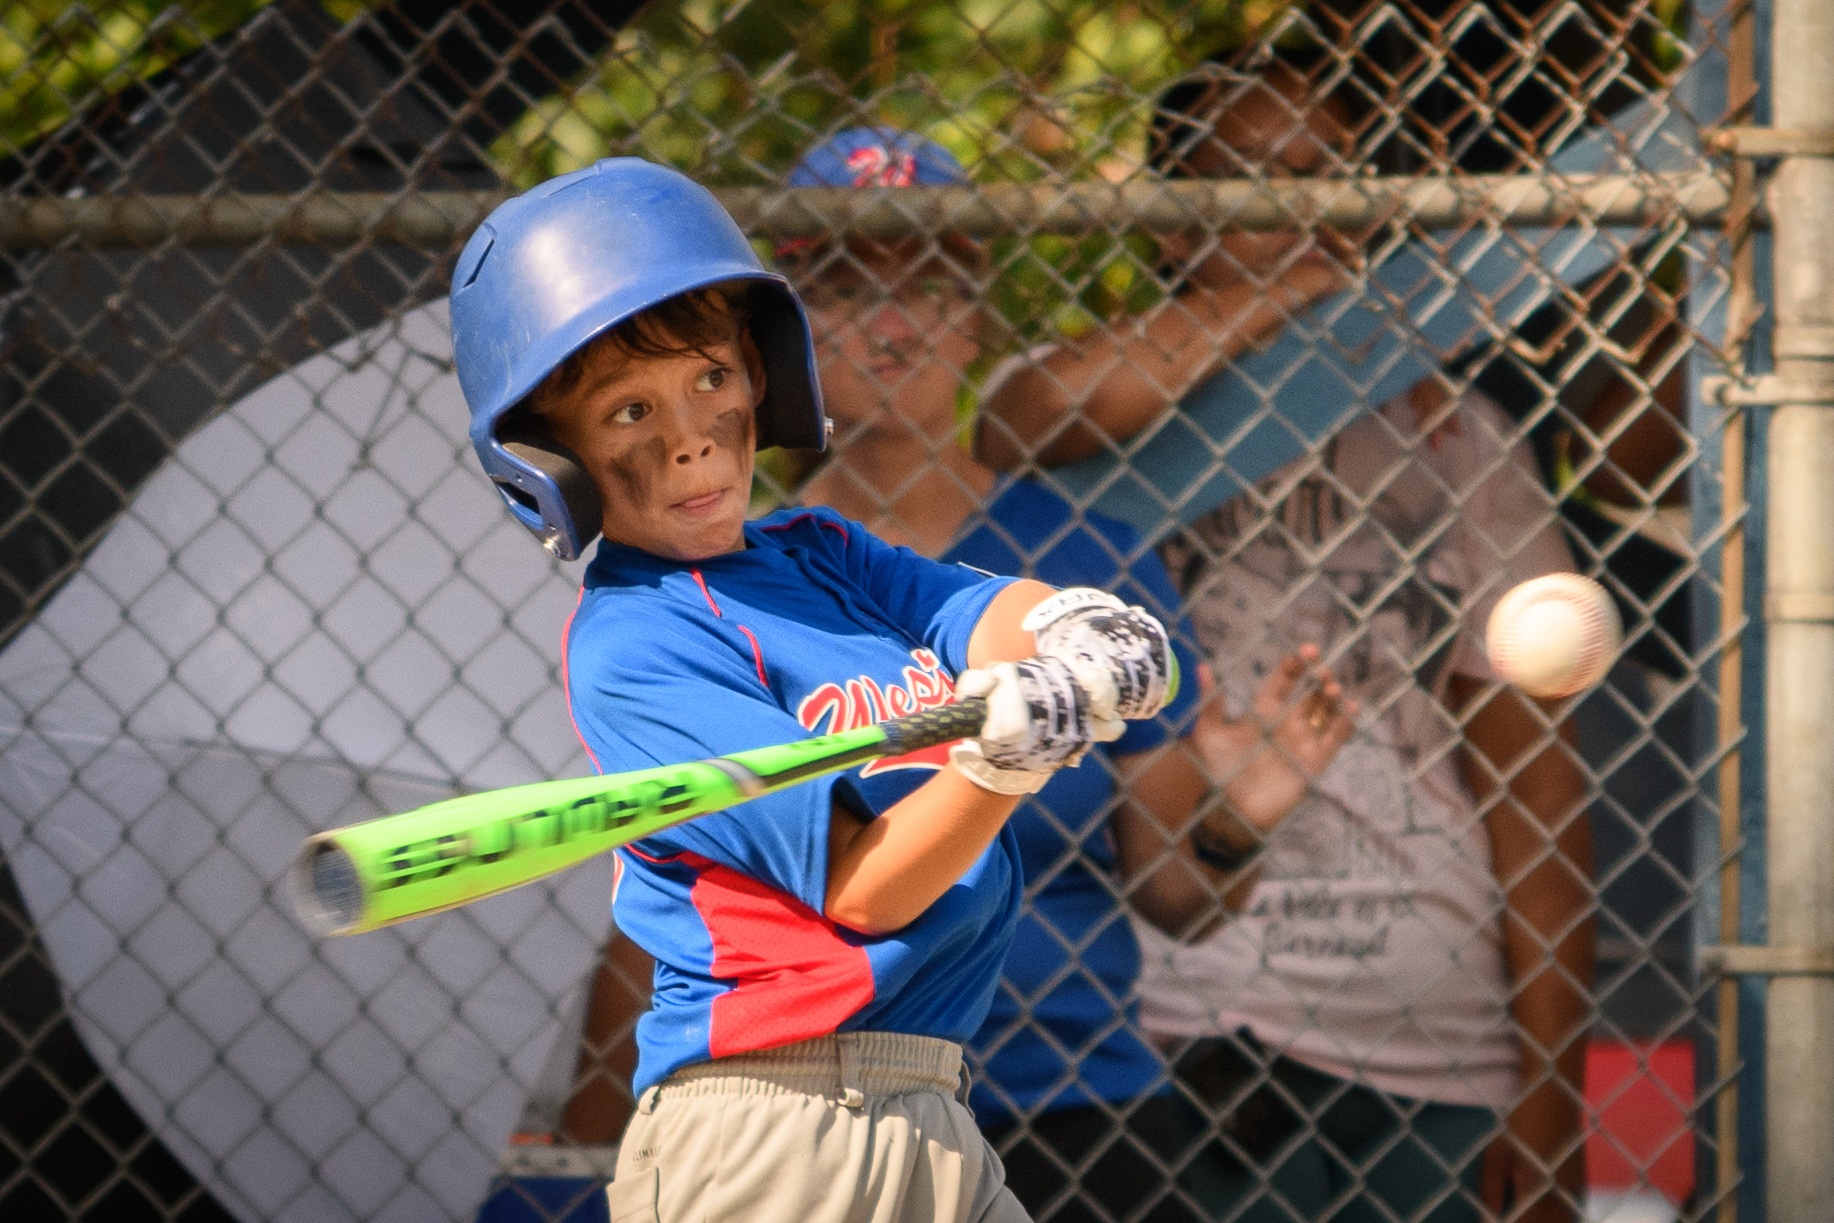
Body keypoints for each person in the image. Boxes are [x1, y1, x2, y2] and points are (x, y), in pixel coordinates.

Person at [447, 154, 1189, 1223]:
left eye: (709, 376)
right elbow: (861, 891)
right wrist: (1002, 760)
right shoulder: (637, 642)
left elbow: (964, 609)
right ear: (550, 460)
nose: (690, 431)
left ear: (759, 372)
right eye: (626, 412)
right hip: (776, 1124)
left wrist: (1067, 623)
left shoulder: (816, 551)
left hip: (921, 1093)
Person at [977, 52, 1596, 1223]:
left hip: (1430, 1019)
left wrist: (1553, 1082)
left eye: (1326, 179)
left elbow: (1532, 781)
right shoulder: (1104, 420)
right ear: (1172, 221)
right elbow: (1020, 420)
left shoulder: (1456, 438)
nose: (1298, 209)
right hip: (1191, 1007)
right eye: (1251, 185)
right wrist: (1284, 301)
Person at [777, 128, 1356, 1223]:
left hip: (1074, 1110)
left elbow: (1178, 899)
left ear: (977, 314)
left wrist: (1237, 818)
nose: (895, 326)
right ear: (789, 327)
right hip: (829, 1104)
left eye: (934, 286)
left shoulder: (1089, 563)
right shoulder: (747, 583)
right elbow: (675, 887)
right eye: (850, 287)